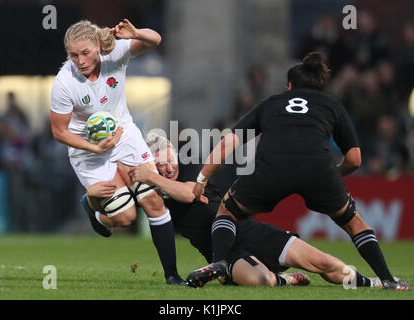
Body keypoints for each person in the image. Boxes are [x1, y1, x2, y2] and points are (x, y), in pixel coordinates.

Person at [188, 52, 412, 291]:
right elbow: (355, 159)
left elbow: (228, 143)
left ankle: (220, 263)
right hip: (318, 168)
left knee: (227, 211)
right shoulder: (332, 104)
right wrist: (334, 176)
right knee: (354, 224)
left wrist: (202, 178)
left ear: (290, 86)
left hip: (271, 168)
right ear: (319, 86)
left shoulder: (272, 103)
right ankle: (388, 280)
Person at [88, 133, 382, 288]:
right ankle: (285, 279)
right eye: (160, 164)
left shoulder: (191, 178)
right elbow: (119, 217)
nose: (168, 168)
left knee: (325, 263)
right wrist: (92, 201)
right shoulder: (153, 200)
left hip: (252, 233)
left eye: (170, 161)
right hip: (223, 255)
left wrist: (151, 175)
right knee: (260, 281)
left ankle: (374, 282)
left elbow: (190, 194)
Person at [50, 19, 184, 285]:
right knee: (125, 217)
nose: (80, 60)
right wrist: (95, 147)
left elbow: (155, 40)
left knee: (153, 201)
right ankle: (94, 208)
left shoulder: (116, 53)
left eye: (85, 52)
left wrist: (136, 33)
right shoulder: (65, 81)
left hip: (124, 134)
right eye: (73, 55)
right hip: (88, 149)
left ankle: (172, 276)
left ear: (98, 46)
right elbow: (59, 132)